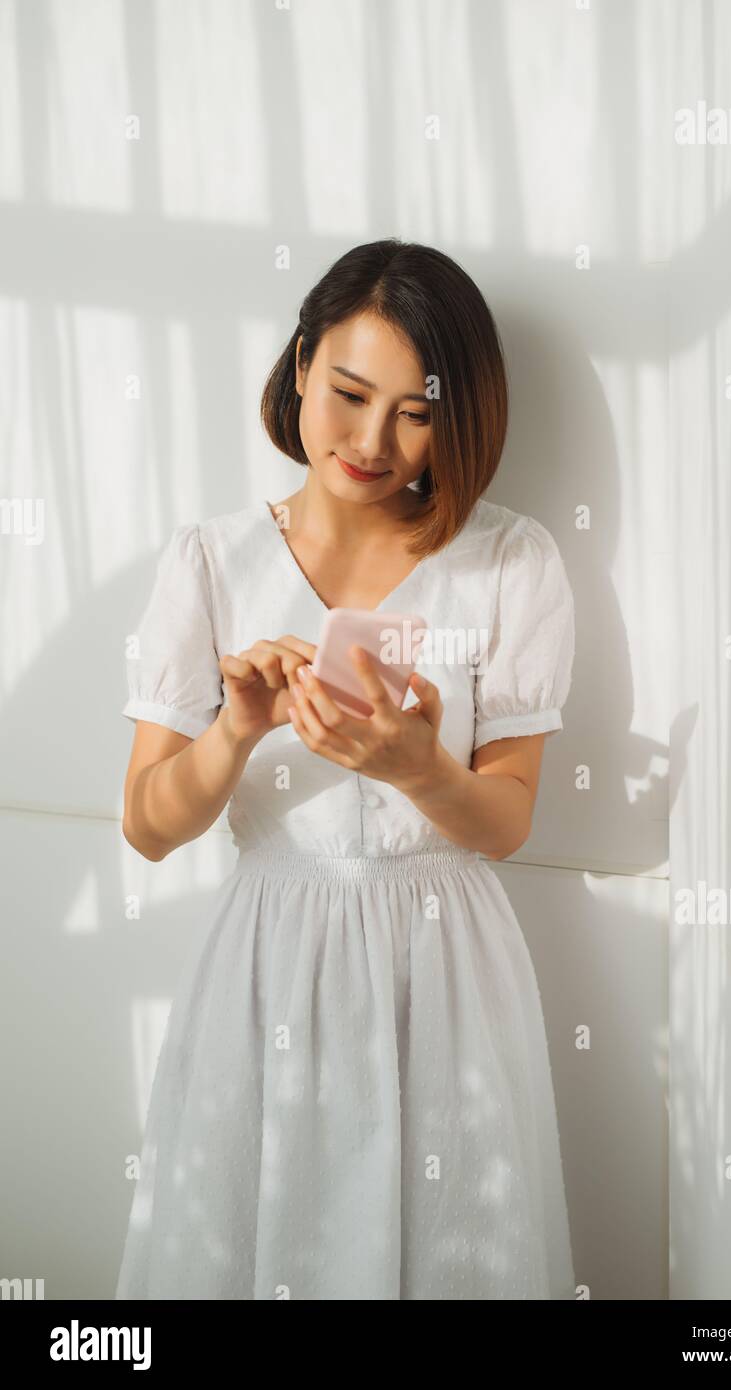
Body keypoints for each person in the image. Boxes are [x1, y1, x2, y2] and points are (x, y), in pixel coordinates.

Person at [115, 238, 576, 1300]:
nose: (372, 440)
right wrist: (237, 729)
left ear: (460, 417)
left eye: (416, 411)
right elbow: (145, 824)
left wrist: (419, 767)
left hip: (447, 970)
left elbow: (505, 822)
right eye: (349, 392)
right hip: (267, 960)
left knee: (456, 1244)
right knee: (246, 1238)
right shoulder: (211, 559)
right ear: (299, 366)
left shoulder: (513, 560)